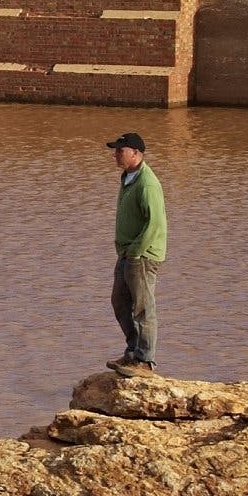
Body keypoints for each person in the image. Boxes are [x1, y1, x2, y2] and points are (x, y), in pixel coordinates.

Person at [107, 130, 167, 369]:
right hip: (127, 252)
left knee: (143, 307)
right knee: (119, 302)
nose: (115, 155)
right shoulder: (128, 177)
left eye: (120, 151)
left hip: (142, 255)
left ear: (136, 153)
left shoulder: (147, 183)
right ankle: (133, 352)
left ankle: (145, 361)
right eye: (115, 151)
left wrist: (136, 252)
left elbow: (155, 223)